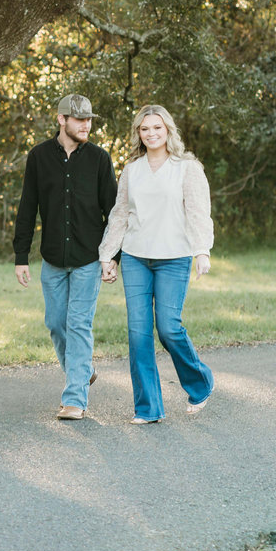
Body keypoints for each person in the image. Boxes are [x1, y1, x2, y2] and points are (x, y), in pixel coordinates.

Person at [99, 104, 215, 424]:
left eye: (157, 128)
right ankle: (148, 408)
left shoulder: (186, 168)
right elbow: (120, 216)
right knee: (138, 334)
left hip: (173, 258)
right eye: (144, 129)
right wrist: (107, 256)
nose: (151, 134)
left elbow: (197, 212)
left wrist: (201, 251)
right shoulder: (131, 170)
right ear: (138, 133)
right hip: (136, 258)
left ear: (168, 130)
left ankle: (200, 383)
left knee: (168, 328)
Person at [14, 93, 117, 420]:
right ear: (62, 120)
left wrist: (113, 256)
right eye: (79, 119)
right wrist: (20, 255)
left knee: (78, 324)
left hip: (89, 257)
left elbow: (114, 212)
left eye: (89, 119)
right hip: (53, 259)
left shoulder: (100, 159)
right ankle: (81, 370)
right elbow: (27, 208)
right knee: (56, 324)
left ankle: (75, 398)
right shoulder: (39, 157)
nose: (86, 124)